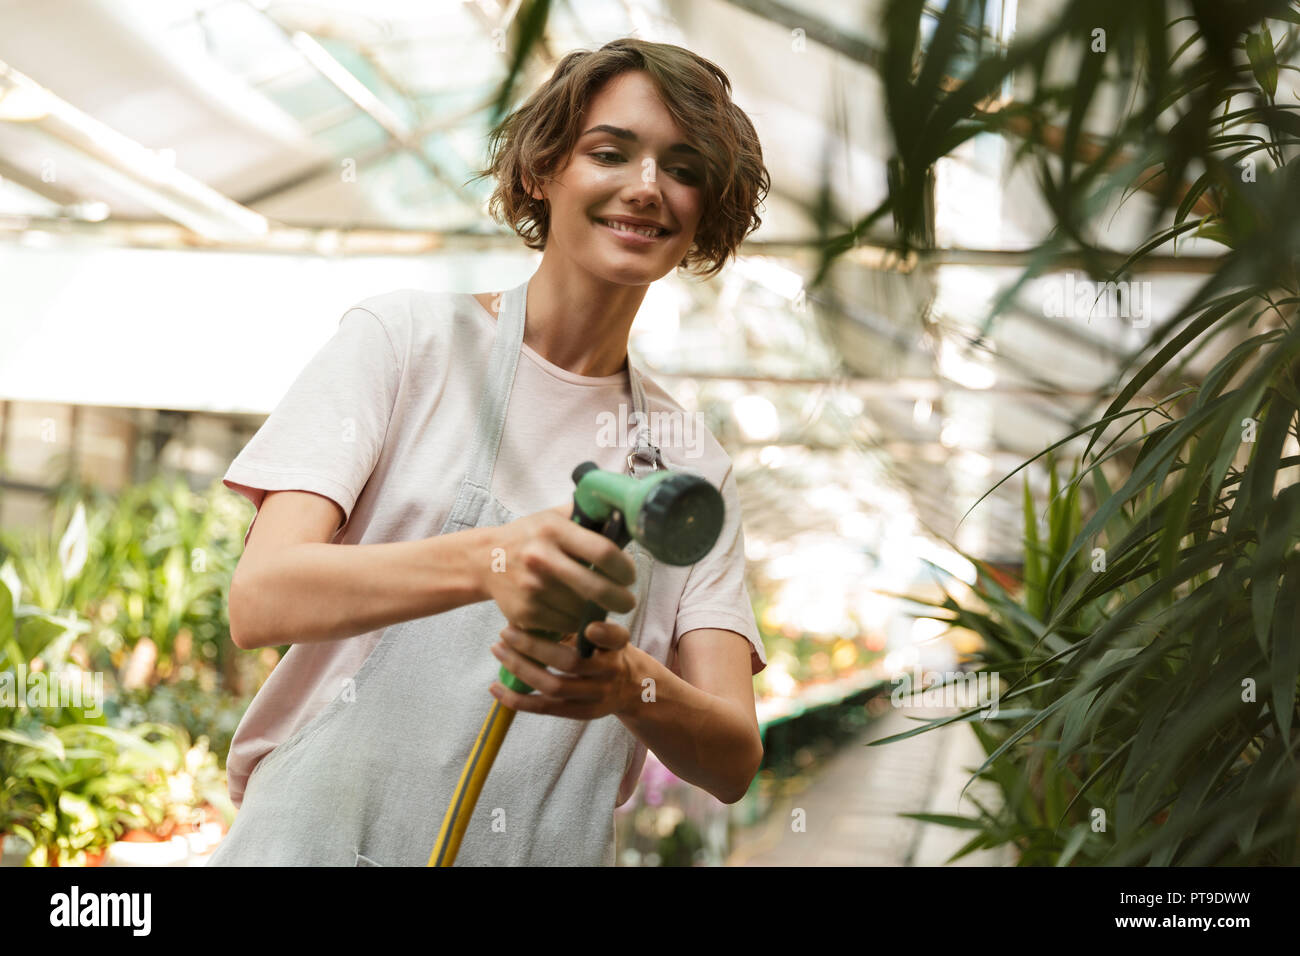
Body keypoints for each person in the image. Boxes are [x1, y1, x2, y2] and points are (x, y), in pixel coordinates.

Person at [208, 37, 771, 866]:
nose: (646, 188)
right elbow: (262, 600)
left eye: (683, 168)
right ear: (542, 172)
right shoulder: (406, 344)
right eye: (609, 152)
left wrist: (627, 687)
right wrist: (494, 558)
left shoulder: (688, 464)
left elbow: (732, 757)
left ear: (703, 212)